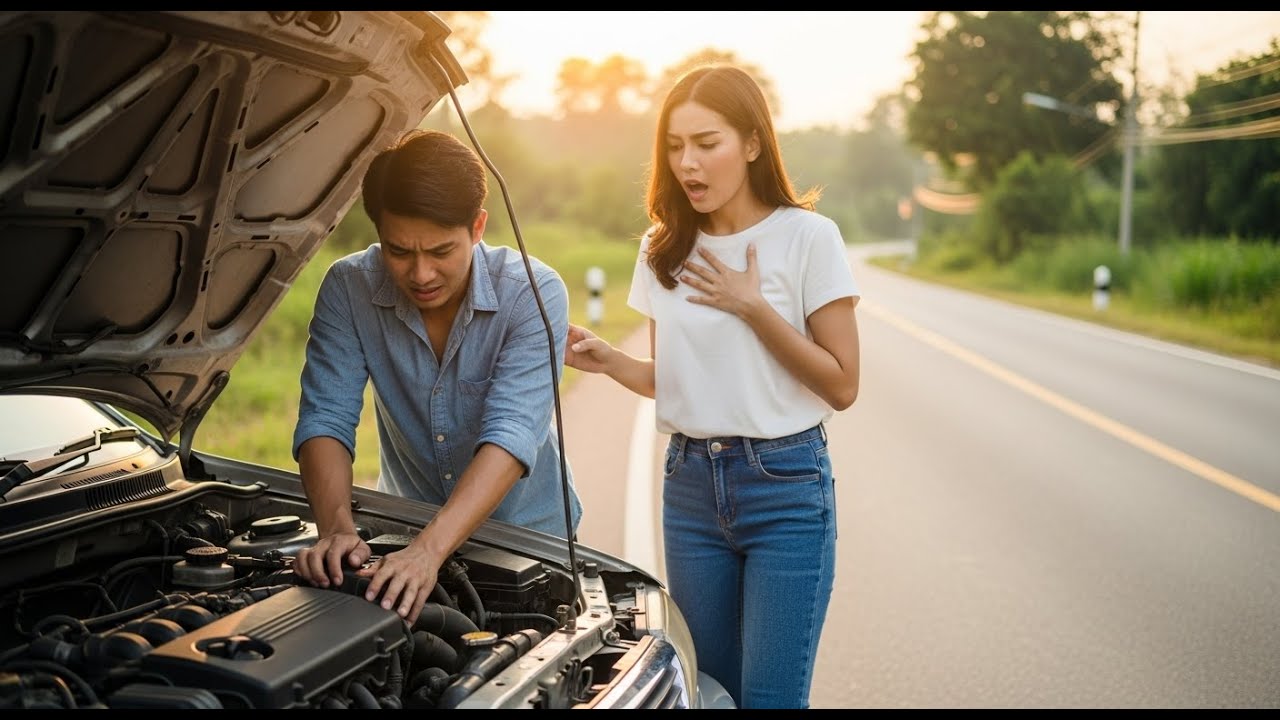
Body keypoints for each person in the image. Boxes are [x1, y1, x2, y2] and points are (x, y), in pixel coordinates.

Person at [564, 65, 860, 709]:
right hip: (691, 489)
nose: (687, 163)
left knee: (771, 700)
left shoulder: (808, 238)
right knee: (712, 696)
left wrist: (751, 307)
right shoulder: (662, 248)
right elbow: (676, 382)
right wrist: (610, 360)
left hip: (784, 490)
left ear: (752, 144)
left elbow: (842, 385)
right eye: (675, 147)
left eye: (707, 143)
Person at [291, 129, 582, 622]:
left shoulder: (533, 292)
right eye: (399, 251)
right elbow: (326, 415)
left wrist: (432, 551)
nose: (420, 274)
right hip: (403, 536)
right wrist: (336, 527)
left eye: (440, 252)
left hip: (532, 545)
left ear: (478, 226)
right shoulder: (348, 287)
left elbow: (512, 432)